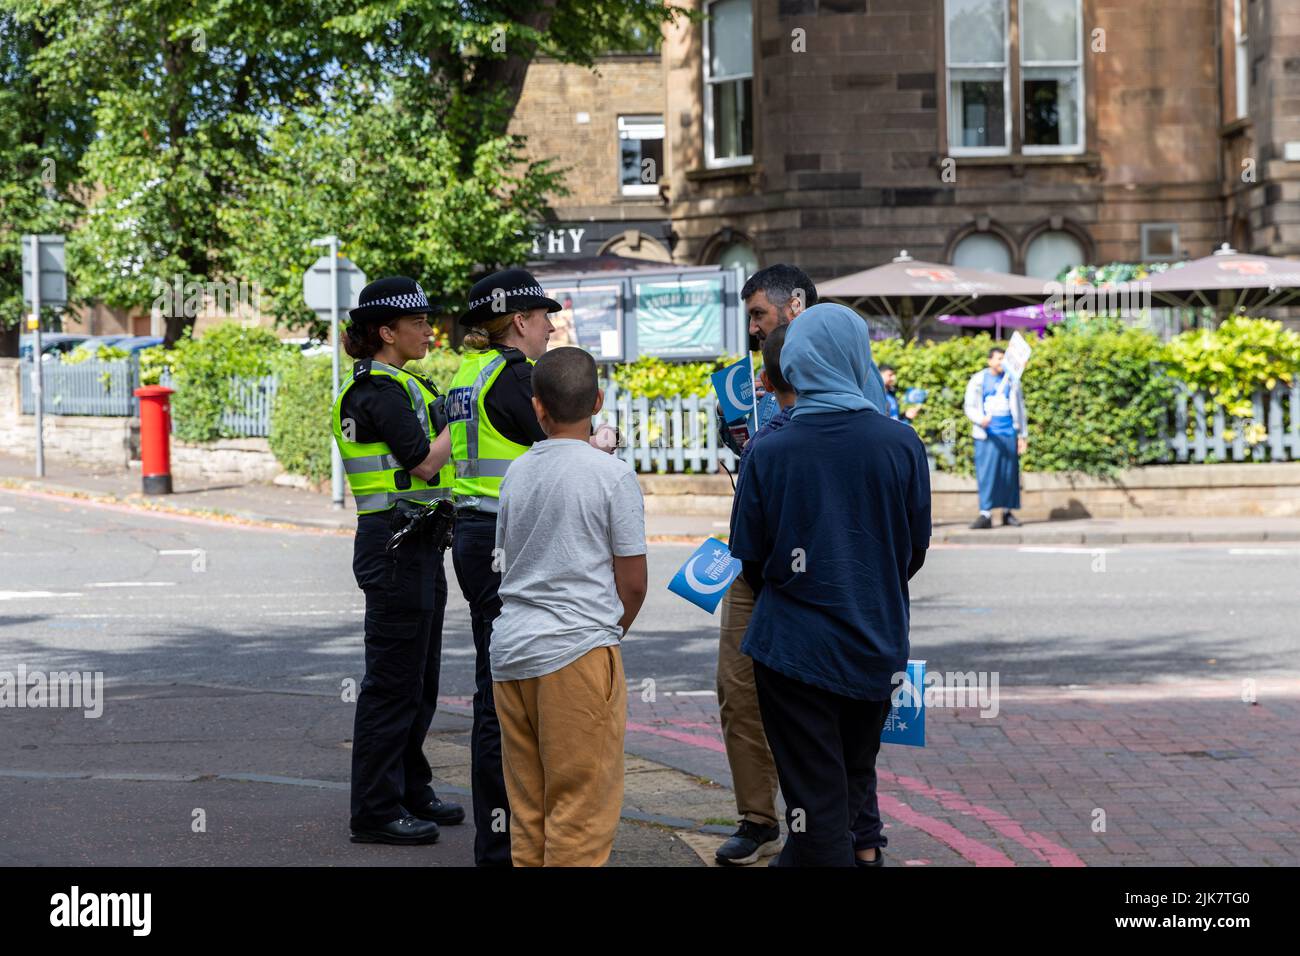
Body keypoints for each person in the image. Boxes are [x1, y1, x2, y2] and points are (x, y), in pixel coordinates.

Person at [729, 302, 931, 867]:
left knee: (814, 810)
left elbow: (749, 556)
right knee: (854, 775)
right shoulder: (901, 443)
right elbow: (912, 551)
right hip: (876, 643)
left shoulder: (769, 449)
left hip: (793, 652)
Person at [446, 268, 615, 866]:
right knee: (507, 696)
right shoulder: (516, 377)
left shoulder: (469, 373)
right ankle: (508, 846)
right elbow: (562, 437)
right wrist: (603, 448)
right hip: (501, 539)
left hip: (471, 531)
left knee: (493, 687)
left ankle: (501, 839)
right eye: (543, 317)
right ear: (519, 321)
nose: (550, 326)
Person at [489, 347, 649, 866]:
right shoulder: (612, 476)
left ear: (537, 407)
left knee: (529, 810)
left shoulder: (516, 472)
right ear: (599, 401)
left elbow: (510, 557)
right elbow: (634, 584)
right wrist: (607, 632)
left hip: (512, 652)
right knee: (579, 813)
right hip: (577, 651)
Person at [330, 276, 465, 846]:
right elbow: (425, 465)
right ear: (386, 332)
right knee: (392, 683)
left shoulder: (398, 383)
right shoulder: (377, 392)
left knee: (421, 679)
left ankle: (412, 787)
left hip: (417, 540)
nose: (428, 331)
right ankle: (375, 810)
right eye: (417, 323)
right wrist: (459, 421)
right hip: (394, 544)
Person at [714, 325, 795, 865]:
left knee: (812, 699)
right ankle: (758, 819)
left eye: (760, 315)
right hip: (748, 559)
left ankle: (844, 826)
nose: (754, 328)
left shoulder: (841, 361)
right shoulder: (748, 386)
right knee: (737, 690)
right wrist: (738, 435)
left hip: (809, 567)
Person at [964, 346, 1028, 529]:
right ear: (989, 360)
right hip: (988, 435)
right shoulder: (978, 380)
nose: (1001, 362)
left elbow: (1020, 408)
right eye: (998, 358)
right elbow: (969, 406)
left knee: (1009, 474)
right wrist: (980, 419)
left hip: (1008, 432)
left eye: (1003, 359)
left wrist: (1022, 435)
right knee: (987, 474)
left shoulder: (1011, 380)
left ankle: (1008, 512)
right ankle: (985, 513)